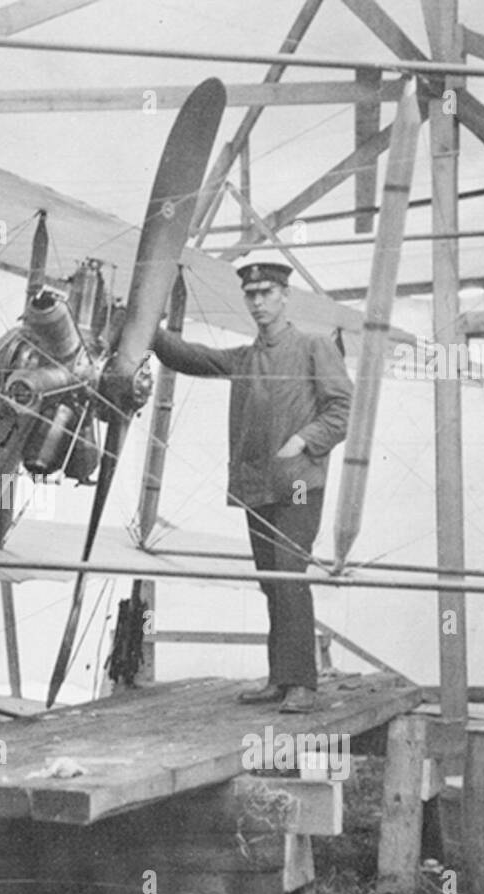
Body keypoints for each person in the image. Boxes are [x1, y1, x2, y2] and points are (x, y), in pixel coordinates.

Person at [150, 261, 352, 713]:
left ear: (285, 296)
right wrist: (149, 331)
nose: (258, 302)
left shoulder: (315, 347)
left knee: (287, 573)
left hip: (299, 484)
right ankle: (282, 679)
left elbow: (341, 409)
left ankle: (302, 683)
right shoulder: (245, 358)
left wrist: (302, 440)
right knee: (270, 580)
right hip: (257, 487)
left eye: (266, 292)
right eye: (251, 295)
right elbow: (191, 358)